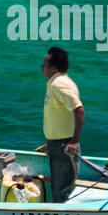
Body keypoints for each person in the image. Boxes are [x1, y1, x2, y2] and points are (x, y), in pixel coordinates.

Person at [40, 46, 85, 202]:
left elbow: (79, 109)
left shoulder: (58, 85)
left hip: (63, 146)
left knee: (61, 190)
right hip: (57, 143)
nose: (42, 68)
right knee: (61, 187)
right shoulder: (61, 81)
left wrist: (74, 142)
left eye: (44, 65)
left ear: (53, 68)